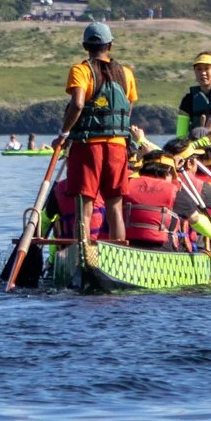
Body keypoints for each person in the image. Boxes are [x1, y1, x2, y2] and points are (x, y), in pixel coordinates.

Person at [57, 21, 138, 253]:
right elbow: (127, 108)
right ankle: (118, 255)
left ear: (85, 46)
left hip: (87, 146)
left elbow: (78, 104)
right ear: (110, 45)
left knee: (85, 205)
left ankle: (82, 253)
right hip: (118, 146)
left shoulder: (81, 70)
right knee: (114, 205)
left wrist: (64, 133)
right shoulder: (126, 73)